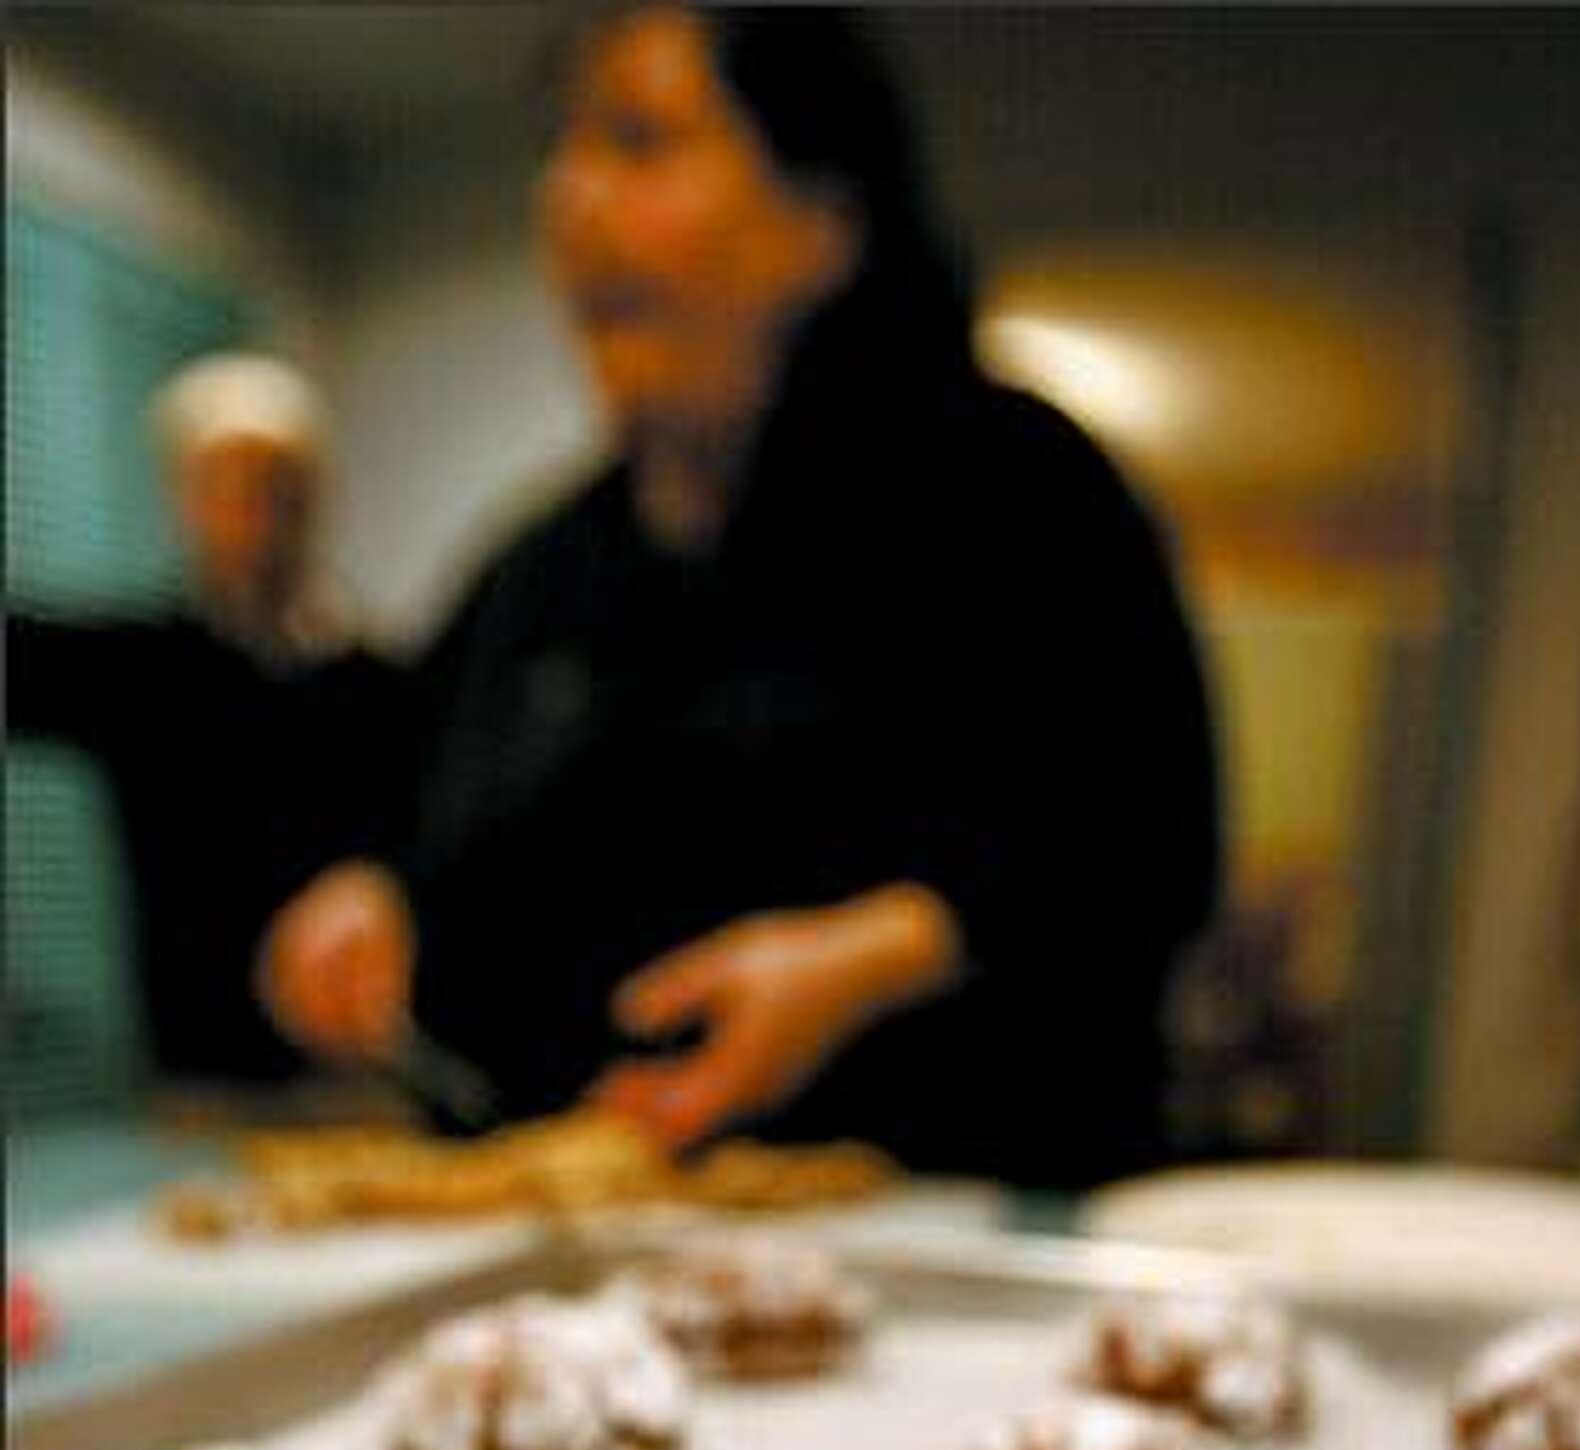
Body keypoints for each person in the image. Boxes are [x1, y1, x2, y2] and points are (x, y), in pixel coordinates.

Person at [261, 4, 1220, 1185]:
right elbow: (412, 827)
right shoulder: (539, 566)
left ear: (825, 220)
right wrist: (372, 903)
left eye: (638, 143)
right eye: (562, 150)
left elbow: (1150, 844)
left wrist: (870, 956)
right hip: (572, 1250)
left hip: (946, 1241)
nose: (567, 198)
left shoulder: (1019, 493)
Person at [8, 351, 404, 1088]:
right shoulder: (134, 669)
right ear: (182, 500)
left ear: (316, 499)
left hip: (360, 1081)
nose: (250, 516)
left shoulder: (382, 684)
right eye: (221, 489)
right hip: (197, 1086)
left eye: (275, 489)